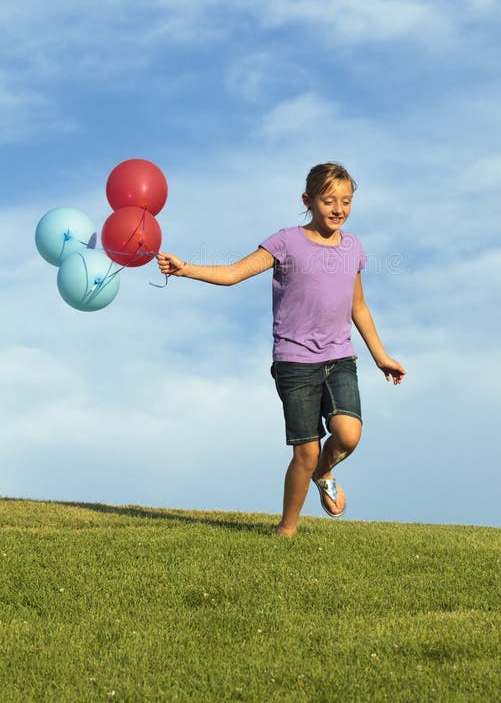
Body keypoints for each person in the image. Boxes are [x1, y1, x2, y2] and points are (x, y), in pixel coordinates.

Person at [156, 162, 406, 537]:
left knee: (348, 434)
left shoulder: (353, 247)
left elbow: (358, 307)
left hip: (339, 358)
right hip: (294, 364)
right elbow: (234, 273)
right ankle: (286, 530)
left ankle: (326, 471)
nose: (338, 209)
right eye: (328, 201)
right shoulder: (285, 242)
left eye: (346, 201)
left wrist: (380, 356)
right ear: (307, 201)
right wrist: (185, 268)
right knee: (304, 454)